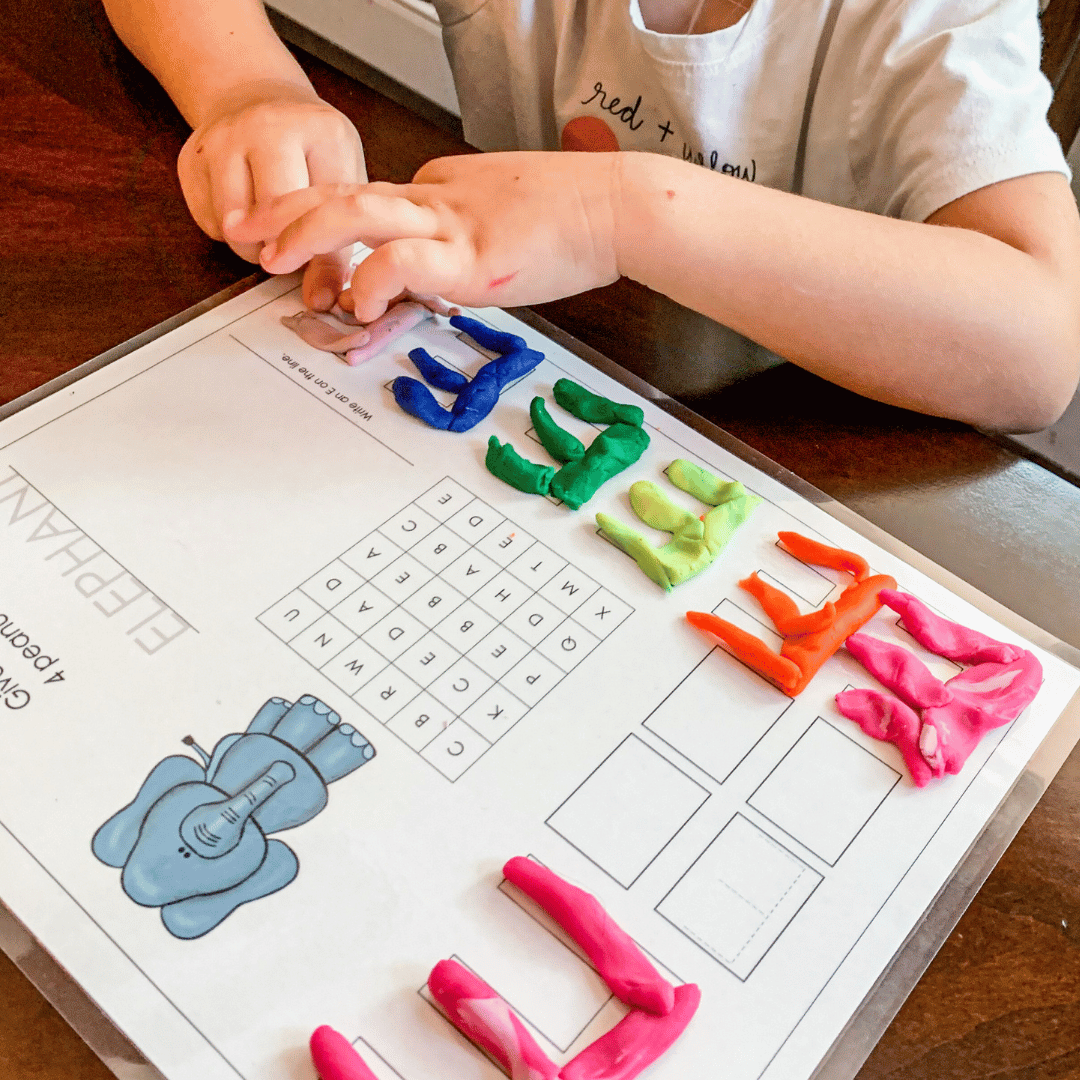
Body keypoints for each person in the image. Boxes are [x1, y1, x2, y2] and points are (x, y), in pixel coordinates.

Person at [102, 0, 1080, 431]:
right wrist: (243, 87)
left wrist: (619, 215)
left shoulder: (934, 16)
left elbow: (1039, 348)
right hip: (548, 359)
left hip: (799, 427)